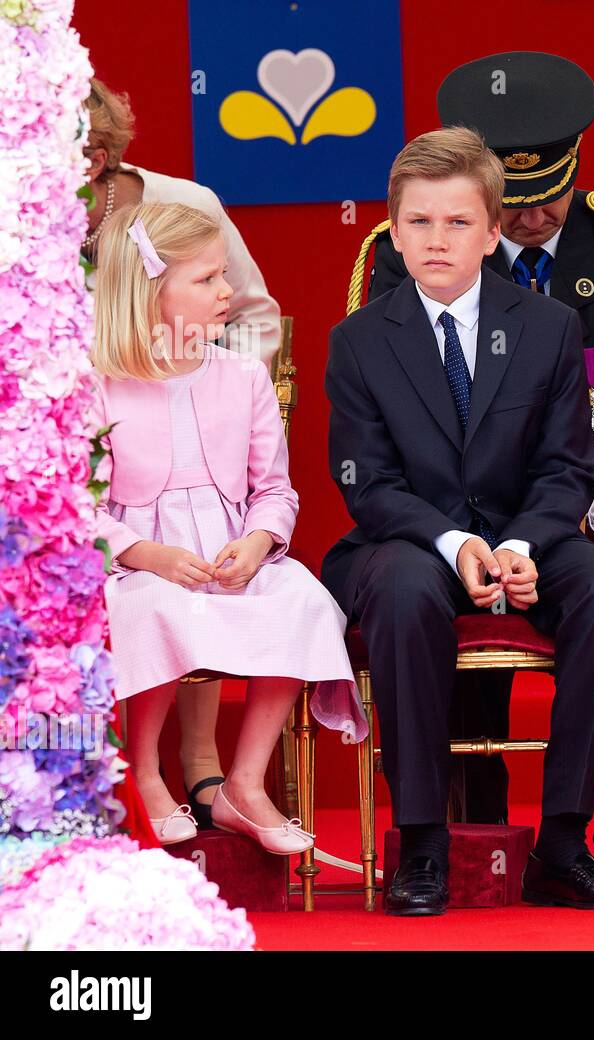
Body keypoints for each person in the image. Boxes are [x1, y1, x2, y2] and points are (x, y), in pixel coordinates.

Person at [366, 51, 594, 833]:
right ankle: (475, 817)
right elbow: (395, 407)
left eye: (550, 196)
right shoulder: (407, 253)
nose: (533, 219)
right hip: (462, 503)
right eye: (512, 206)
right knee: (437, 584)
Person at [321, 128, 594, 916]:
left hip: (525, 531)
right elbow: (367, 482)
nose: (438, 239)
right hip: (408, 539)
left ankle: (564, 840)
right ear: (393, 230)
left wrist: (519, 543)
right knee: (404, 591)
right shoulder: (359, 341)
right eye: (421, 222)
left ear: (494, 229)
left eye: (459, 222)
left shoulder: (547, 328)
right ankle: (424, 841)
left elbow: (567, 468)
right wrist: (457, 542)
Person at [89, 202, 366, 853]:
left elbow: (275, 490)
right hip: (137, 565)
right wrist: (147, 552)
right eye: (208, 279)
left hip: (228, 559)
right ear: (151, 292)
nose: (229, 292)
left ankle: (244, 781)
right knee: (157, 608)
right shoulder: (98, 384)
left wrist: (259, 540)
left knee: (303, 601)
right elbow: (78, 503)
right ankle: (147, 773)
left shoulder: (242, 377)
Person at [83, 78, 285, 829]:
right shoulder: (20, 206)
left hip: (187, 409)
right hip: (68, 435)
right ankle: (109, 778)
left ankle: (203, 766)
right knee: (154, 560)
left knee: (200, 533)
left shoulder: (185, 205)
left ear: (96, 153)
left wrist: (202, 386)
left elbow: (256, 313)